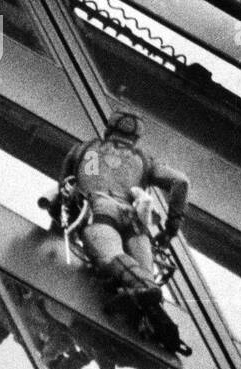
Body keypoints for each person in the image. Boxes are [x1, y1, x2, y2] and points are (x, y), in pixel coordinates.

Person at [55, 111, 189, 304]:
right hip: (135, 222)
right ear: (135, 138)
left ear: (108, 129)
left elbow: (64, 189)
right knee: (147, 282)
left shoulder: (86, 150)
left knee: (112, 257)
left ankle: (143, 287)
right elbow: (181, 182)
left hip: (101, 214)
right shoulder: (143, 159)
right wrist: (170, 229)